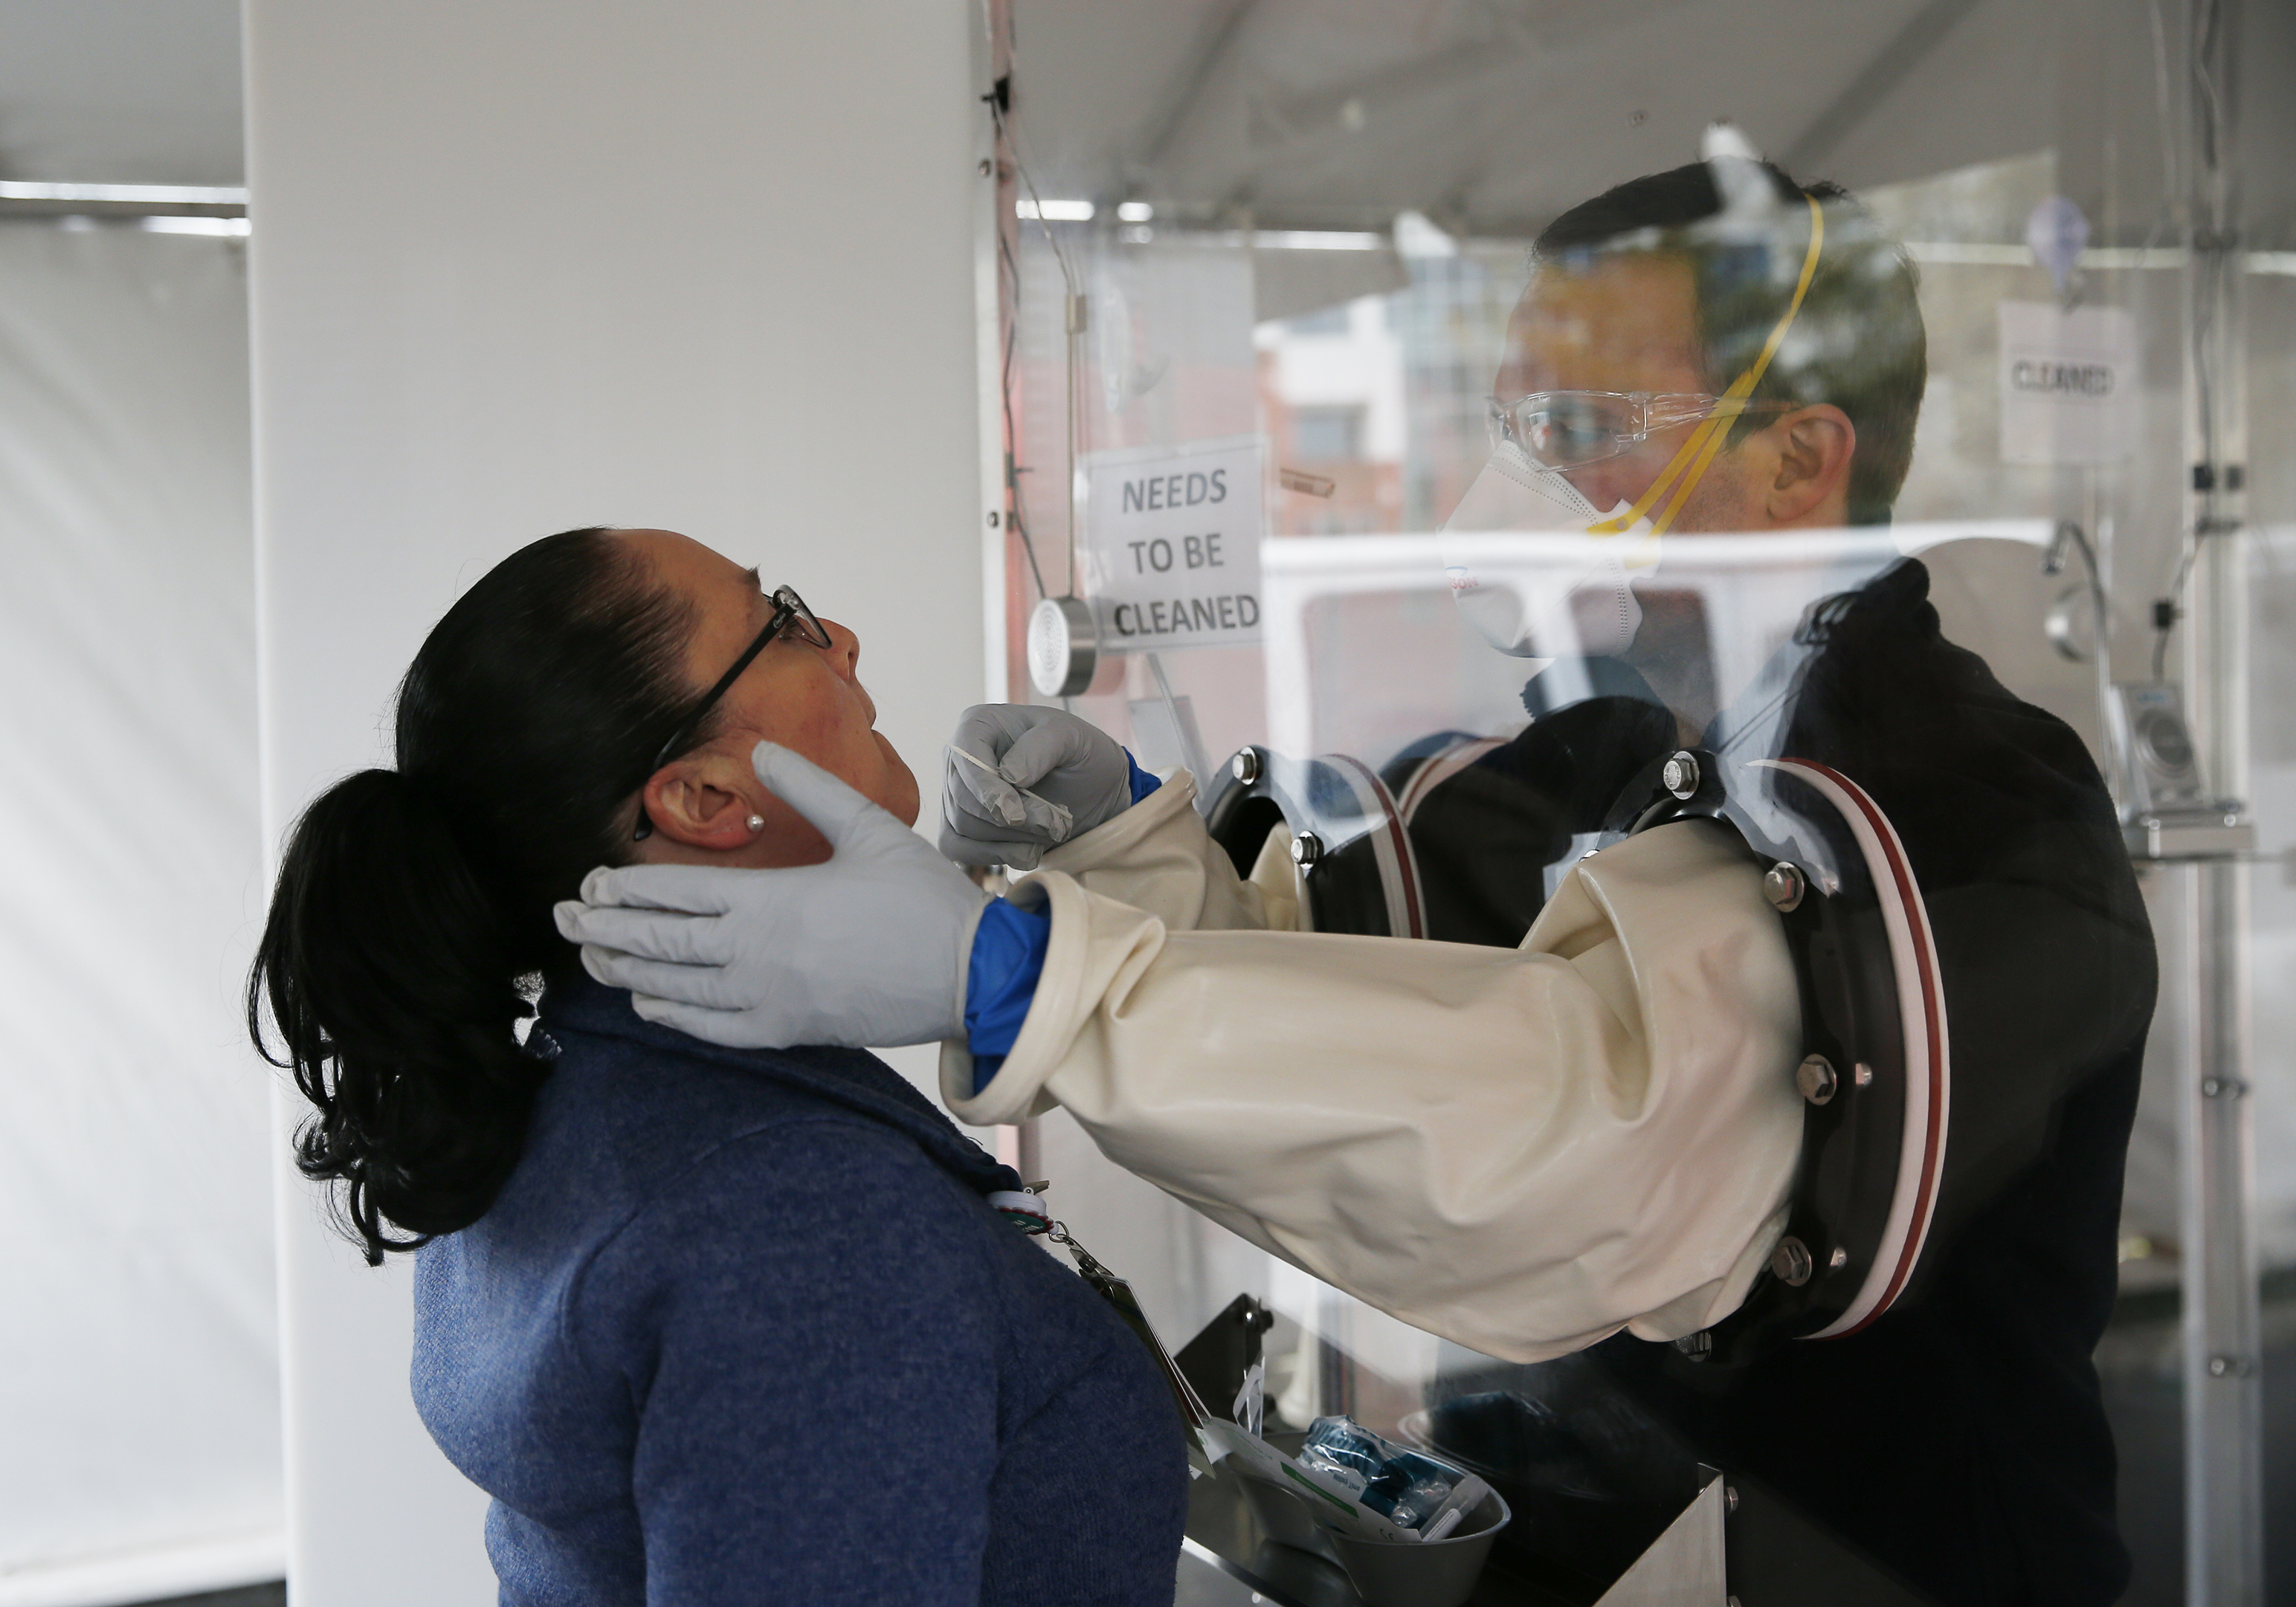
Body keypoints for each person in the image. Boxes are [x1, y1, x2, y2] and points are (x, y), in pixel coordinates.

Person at [561, 161, 2155, 1606]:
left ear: (1799, 458)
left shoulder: (1963, 817)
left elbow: (1565, 1149)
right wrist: (1120, 848)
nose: (1510, 489)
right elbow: (1339, 1029)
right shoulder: (1620, 747)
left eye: (1578, 429)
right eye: (1514, 428)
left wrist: (1020, 980)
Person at [248, 527, 1187, 1607]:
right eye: (781, 622)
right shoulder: (794, 1213)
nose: (841, 638)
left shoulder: (575, 1085)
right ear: (700, 797)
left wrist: (1121, 854)